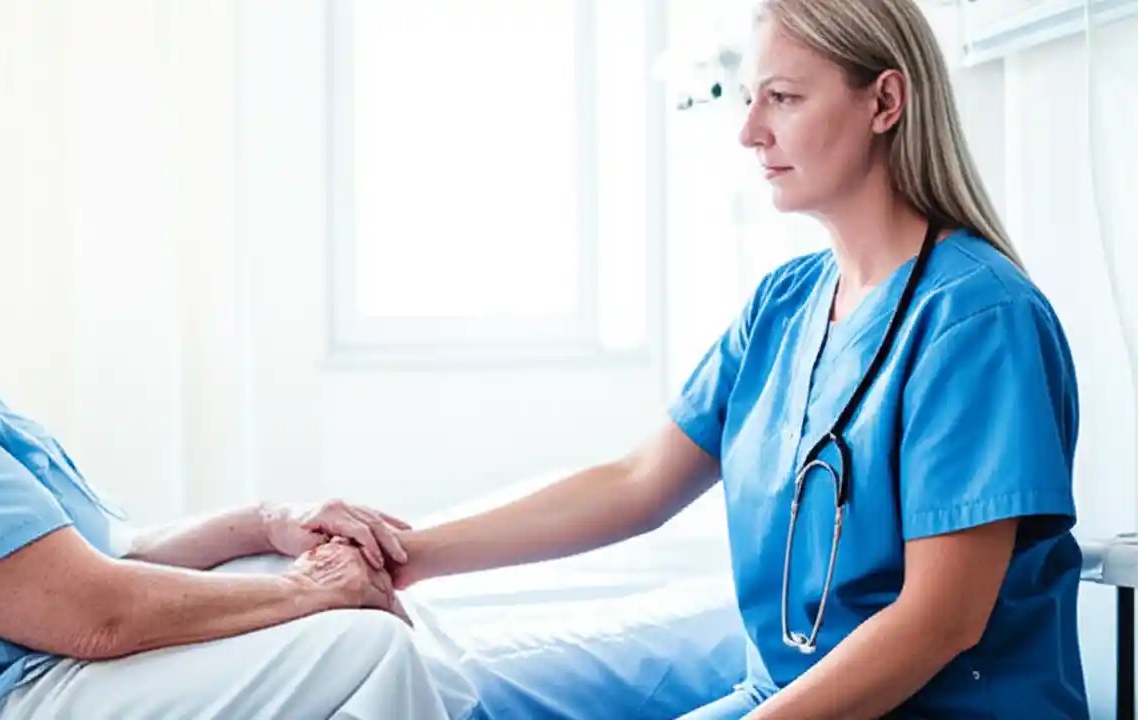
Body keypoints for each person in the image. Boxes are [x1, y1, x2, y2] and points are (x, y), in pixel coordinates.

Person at [390, 0, 1088, 717]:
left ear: (885, 101)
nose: (750, 132)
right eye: (751, 98)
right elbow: (637, 483)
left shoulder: (977, 320)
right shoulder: (783, 305)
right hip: (781, 699)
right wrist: (407, 556)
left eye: (782, 99)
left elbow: (938, 622)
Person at [0, 102, 479, 720]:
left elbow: (111, 556)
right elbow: (96, 614)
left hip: (40, 660)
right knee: (364, 647)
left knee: (363, 603)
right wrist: (308, 593)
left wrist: (269, 525)